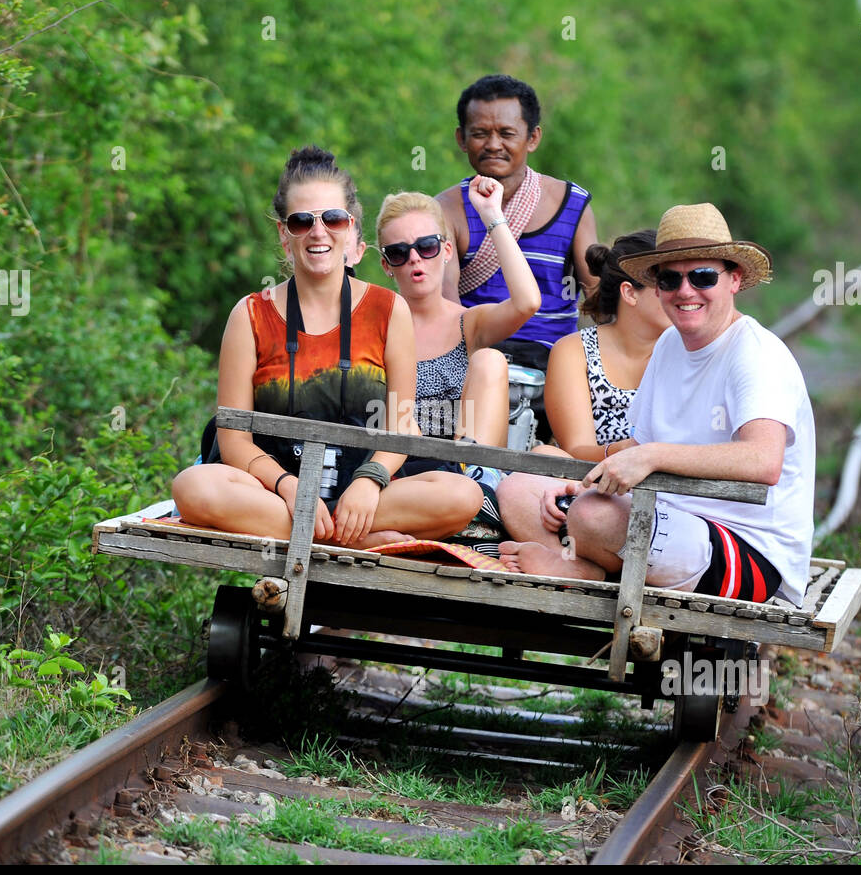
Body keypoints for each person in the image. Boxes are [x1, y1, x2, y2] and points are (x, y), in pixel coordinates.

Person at [497, 203, 815, 609]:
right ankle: (585, 567)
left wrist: (652, 457)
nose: (685, 291)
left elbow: (763, 460)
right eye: (670, 279)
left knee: (593, 517)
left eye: (702, 276)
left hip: (748, 548)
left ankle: (581, 564)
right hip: (662, 515)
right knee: (518, 487)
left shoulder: (755, 353)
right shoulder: (669, 345)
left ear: (734, 279)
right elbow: (636, 449)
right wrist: (585, 483)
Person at [172, 146, 483, 547]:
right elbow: (233, 438)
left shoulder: (389, 310)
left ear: (352, 229)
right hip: (273, 492)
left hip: (363, 494)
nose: (319, 232)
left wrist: (370, 483)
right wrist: (287, 486)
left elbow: (401, 424)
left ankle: (321, 532)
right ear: (285, 234)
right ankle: (350, 538)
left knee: (461, 494)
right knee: (194, 486)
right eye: (302, 222)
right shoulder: (249, 315)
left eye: (333, 219)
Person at [435, 74, 600, 377]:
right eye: (480, 133)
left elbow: (599, 298)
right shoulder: (444, 211)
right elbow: (446, 308)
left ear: (533, 138)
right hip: (476, 362)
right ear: (461, 138)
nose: (493, 144)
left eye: (507, 133)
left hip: (557, 366)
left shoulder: (572, 205)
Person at [375, 180, 540, 454]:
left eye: (426, 246)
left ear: (447, 251)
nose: (415, 258)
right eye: (399, 252)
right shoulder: (374, 323)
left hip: (463, 466)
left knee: (491, 359)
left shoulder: (468, 324)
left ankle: (476, 479)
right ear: (386, 265)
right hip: (396, 462)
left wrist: (492, 216)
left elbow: (528, 302)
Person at [543, 230, 670, 461]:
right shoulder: (575, 351)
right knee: (544, 454)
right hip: (594, 485)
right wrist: (627, 452)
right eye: (668, 282)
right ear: (630, 293)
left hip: (674, 487)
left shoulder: (690, 351)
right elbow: (575, 452)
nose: (683, 293)